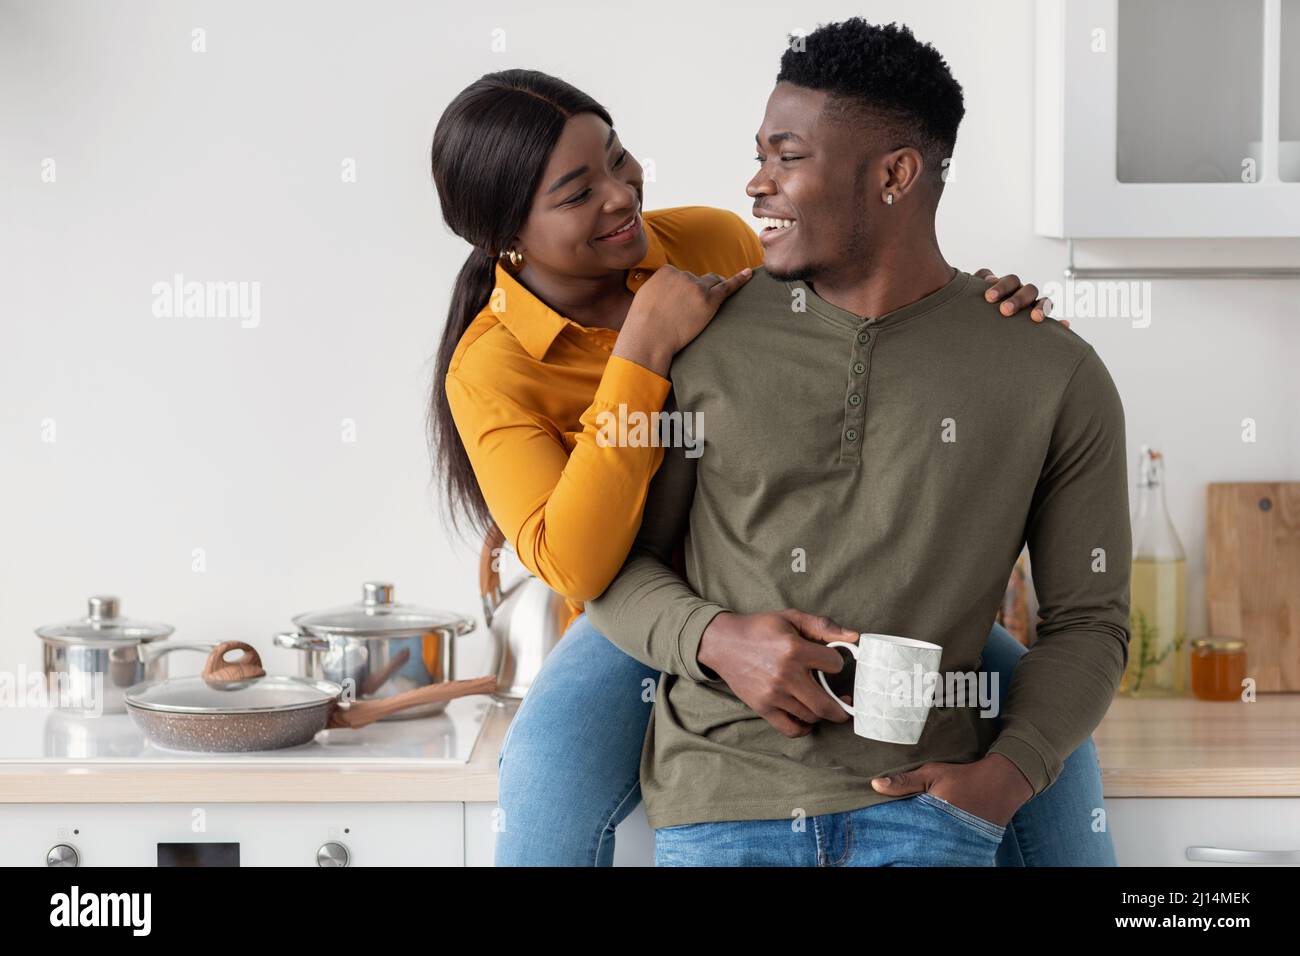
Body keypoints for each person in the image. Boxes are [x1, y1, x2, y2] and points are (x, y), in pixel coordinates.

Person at [427, 68, 1089, 868]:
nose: (620, 194)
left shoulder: (708, 239)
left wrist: (976, 313)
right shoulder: (490, 369)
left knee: (1052, 740)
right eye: (577, 192)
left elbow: (848, 316)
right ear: (508, 235)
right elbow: (581, 566)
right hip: (642, 605)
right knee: (540, 783)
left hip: (814, 579)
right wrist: (642, 348)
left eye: (618, 156)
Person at [585, 18, 1130, 867]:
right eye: (760, 156)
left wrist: (1007, 778)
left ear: (895, 174)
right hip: (724, 806)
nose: (756, 184)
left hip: (929, 812)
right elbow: (616, 568)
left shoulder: (1050, 370)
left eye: (786, 156)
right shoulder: (699, 338)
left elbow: (1090, 621)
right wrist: (715, 638)